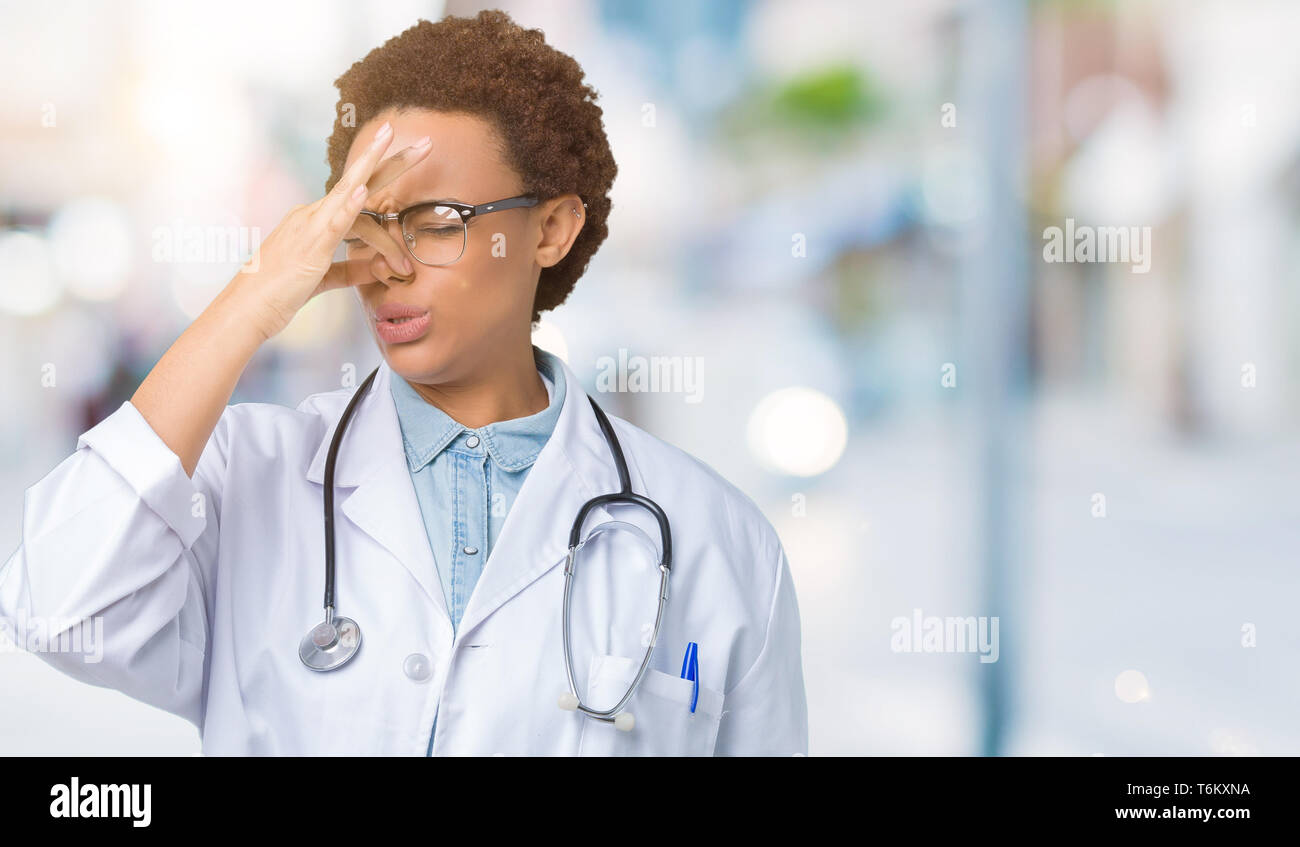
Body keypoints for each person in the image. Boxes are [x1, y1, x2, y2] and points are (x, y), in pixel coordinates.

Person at [0, 10, 807, 756]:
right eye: (366, 225)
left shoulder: (716, 541)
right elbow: (59, 608)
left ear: (551, 230)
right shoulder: (249, 480)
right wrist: (249, 297)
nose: (388, 266)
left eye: (436, 222)